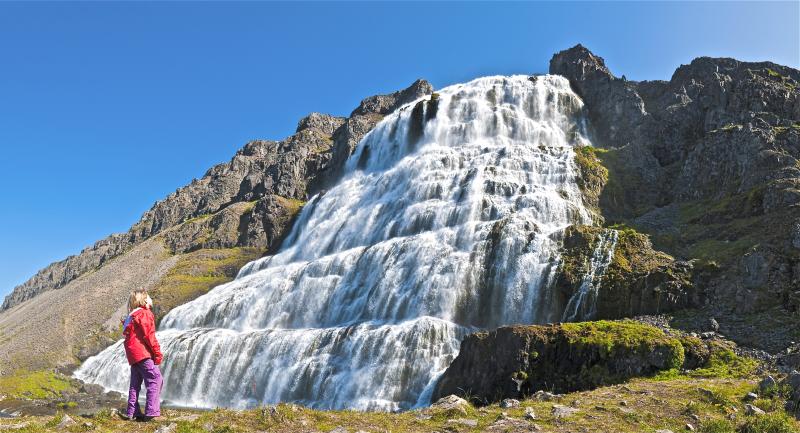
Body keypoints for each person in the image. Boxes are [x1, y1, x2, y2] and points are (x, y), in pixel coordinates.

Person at [122, 290, 163, 421]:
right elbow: (149, 336)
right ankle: (151, 412)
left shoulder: (131, 316)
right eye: (149, 297)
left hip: (133, 355)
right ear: (144, 300)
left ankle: (132, 412)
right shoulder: (144, 313)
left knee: (135, 383)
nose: (151, 300)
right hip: (143, 353)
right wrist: (157, 353)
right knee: (155, 379)